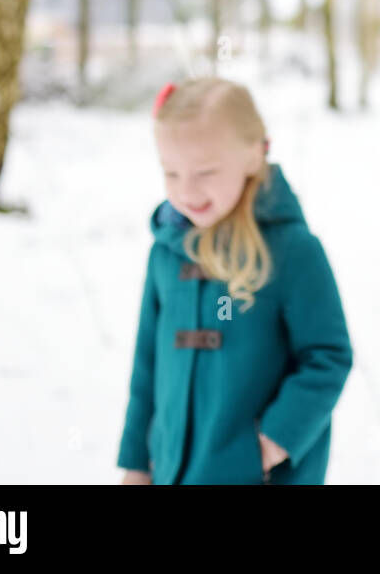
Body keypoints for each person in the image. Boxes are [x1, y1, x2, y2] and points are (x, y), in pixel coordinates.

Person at [116, 77, 352, 484]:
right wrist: (136, 462)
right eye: (170, 173)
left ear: (252, 156)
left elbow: (328, 356)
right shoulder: (166, 251)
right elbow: (147, 364)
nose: (186, 190)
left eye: (205, 171)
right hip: (172, 471)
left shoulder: (293, 250)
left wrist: (273, 440)